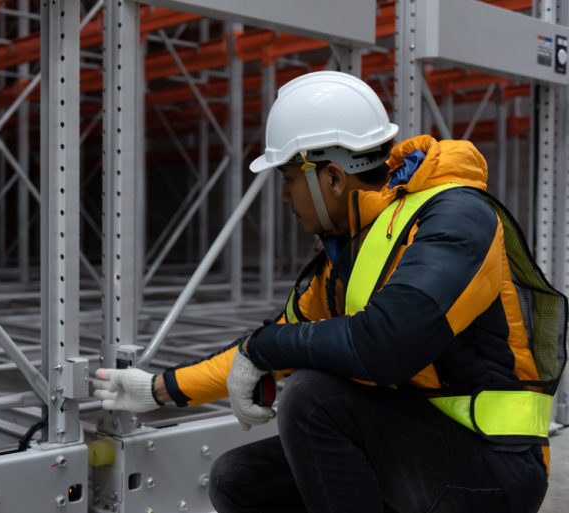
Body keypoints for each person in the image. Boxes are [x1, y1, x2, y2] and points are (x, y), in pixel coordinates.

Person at [92, 71, 566, 513]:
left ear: (333, 178)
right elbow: (268, 345)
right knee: (238, 478)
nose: (285, 197)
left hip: (497, 464)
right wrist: (157, 390)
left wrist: (265, 348)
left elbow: (390, 344)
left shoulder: (457, 219)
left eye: (289, 180)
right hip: (421, 440)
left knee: (312, 397)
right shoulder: (350, 252)